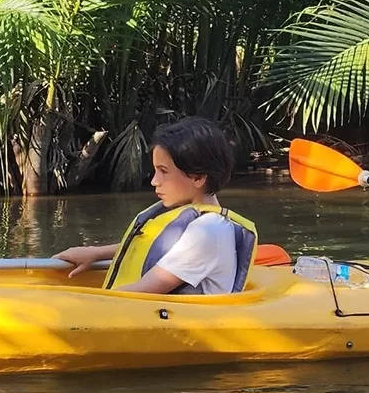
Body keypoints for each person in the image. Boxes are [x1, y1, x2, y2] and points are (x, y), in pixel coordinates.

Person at [54, 117, 257, 295]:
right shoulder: (189, 217)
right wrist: (96, 253)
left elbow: (145, 289)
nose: (154, 181)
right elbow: (154, 246)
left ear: (198, 177)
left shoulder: (209, 230)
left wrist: (76, 303)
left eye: (163, 171)